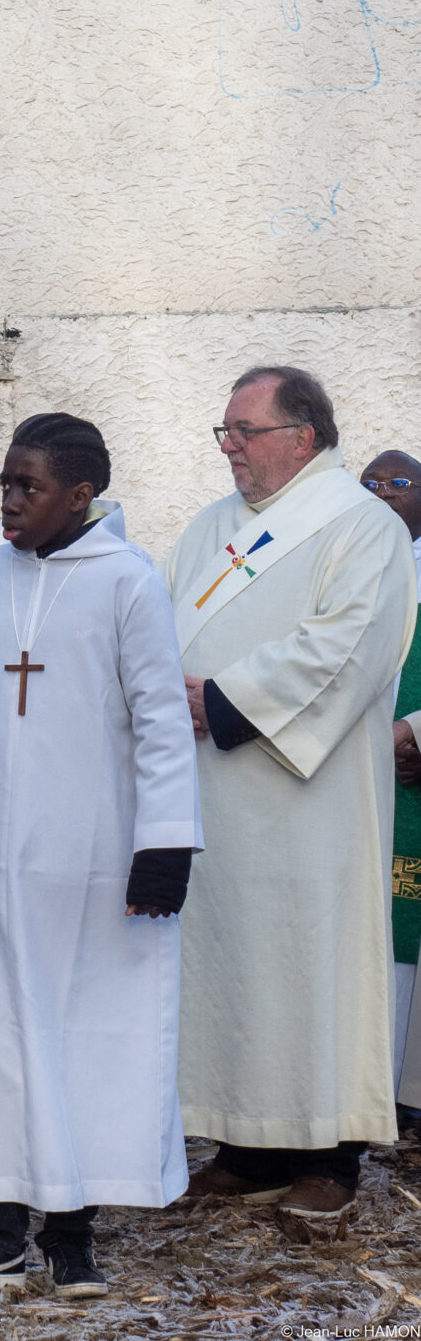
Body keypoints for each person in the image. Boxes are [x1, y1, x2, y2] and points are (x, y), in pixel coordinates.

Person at [0, 414, 199, 1299]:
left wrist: (165, 846)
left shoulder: (127, 581)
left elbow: (159, 720)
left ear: (80, 496)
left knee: (78, 1042)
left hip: (91, 863)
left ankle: (73, 1230)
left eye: (27, 487)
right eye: (4, 482)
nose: (7, 502)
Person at [170, 369, 414, 1218]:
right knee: (235, 960)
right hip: (214, 791)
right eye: (225, 431)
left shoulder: (363, 527)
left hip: (310, 801)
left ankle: (329, 1158)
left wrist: (224, 700)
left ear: (302, 437)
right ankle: (246, 1145)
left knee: (314, 961)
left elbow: (349, 649)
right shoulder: (210, 527)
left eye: (244, 429)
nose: (228, 444)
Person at [368, 453, 421, 1122]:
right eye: (370, 485)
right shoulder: (348, 565)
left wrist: (414, 732)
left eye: (399, 484)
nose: (382, 494)